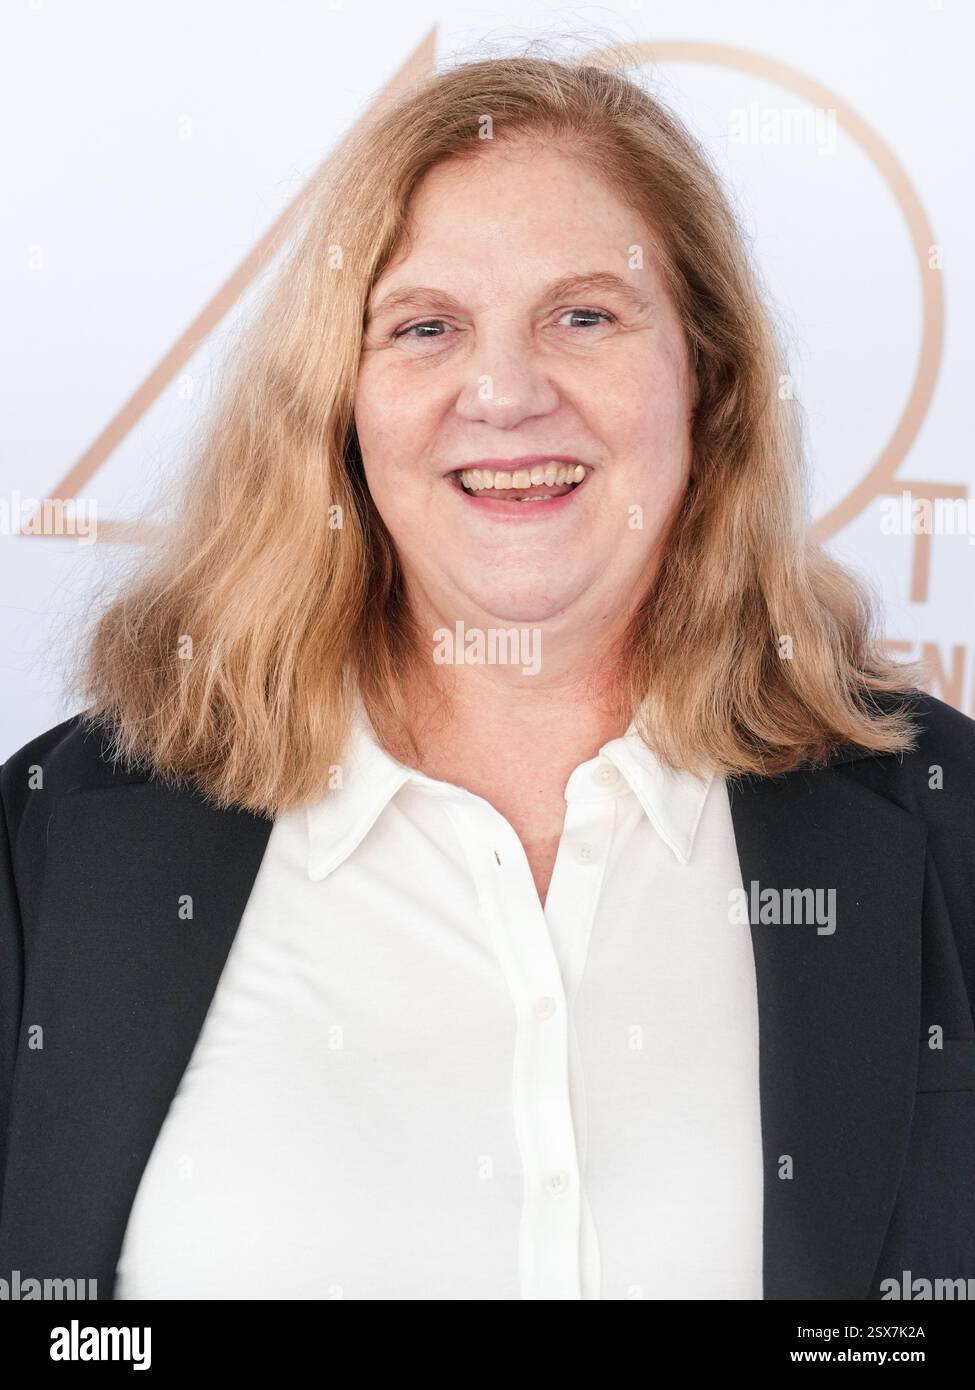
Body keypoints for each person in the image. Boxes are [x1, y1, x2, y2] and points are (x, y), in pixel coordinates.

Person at [1, 52, 973, 1302]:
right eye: (425, 327)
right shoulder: (52, 846)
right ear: (339, 401)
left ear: (708, 378)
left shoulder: (939, 819)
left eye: (585, 315)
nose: (507, 394)